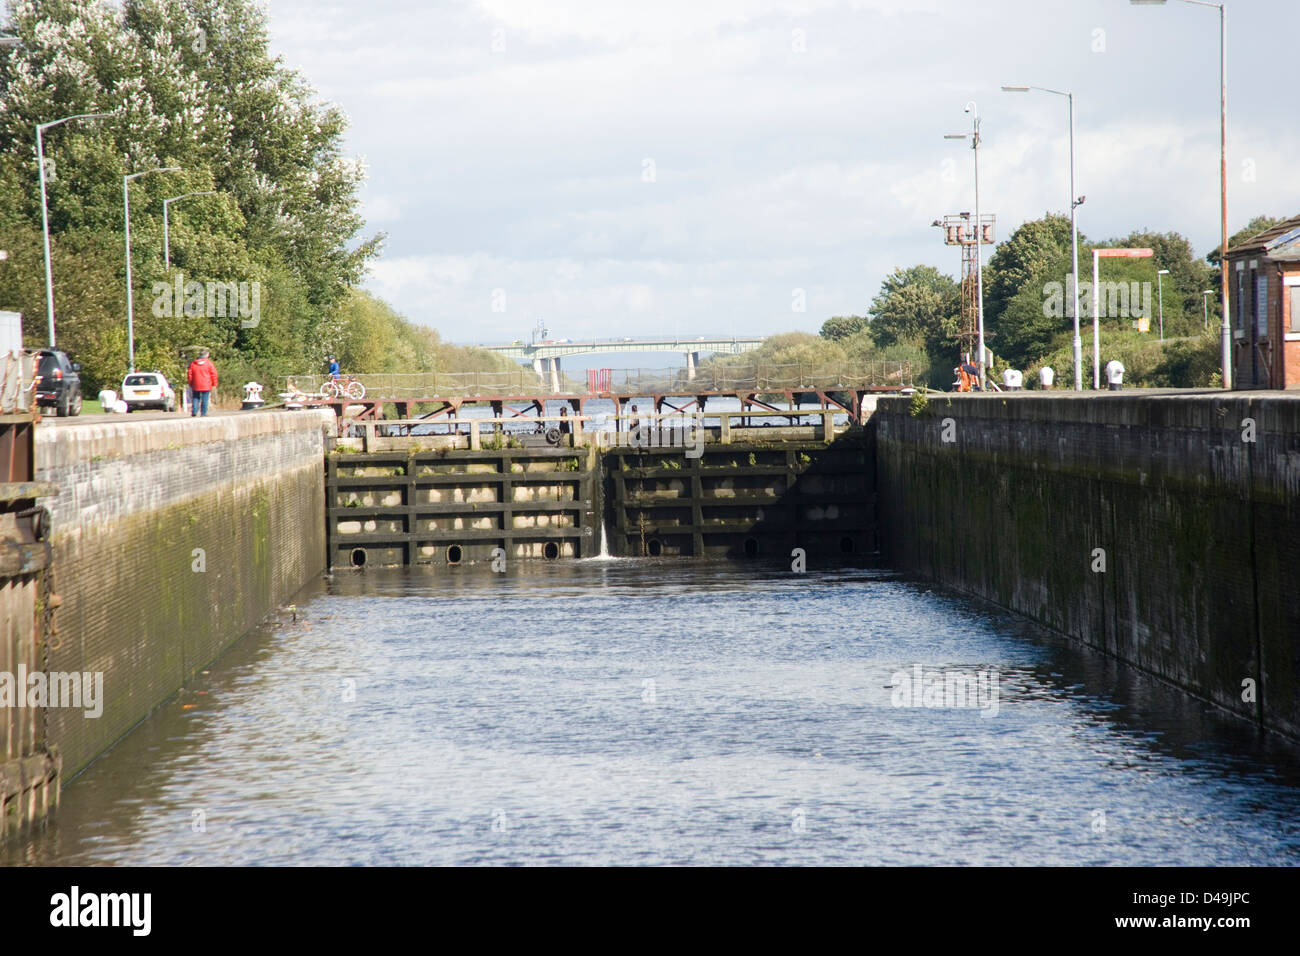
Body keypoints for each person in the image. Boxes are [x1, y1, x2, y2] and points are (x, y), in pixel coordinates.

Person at [186, 349, 218, 416]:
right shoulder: (209, 364)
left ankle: (194, 412)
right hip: (206, 384)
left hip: (196, 384)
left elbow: (190, 374)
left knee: (195, 398)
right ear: (207, 355)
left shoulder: (193, 364)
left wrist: (190, 383)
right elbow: (214, 374)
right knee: (205, 399)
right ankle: (203, 413)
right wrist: (214, 384)